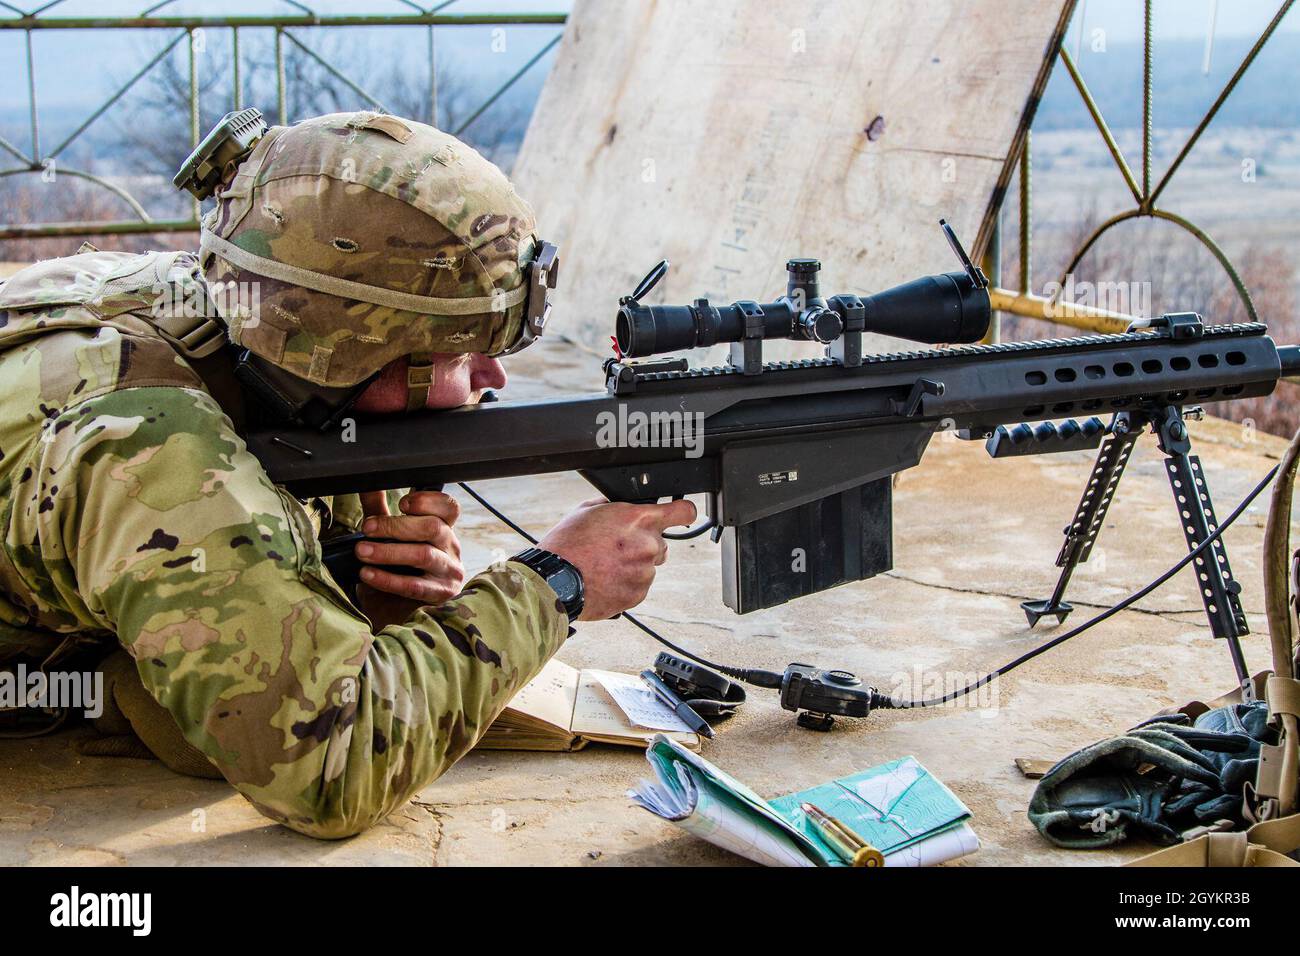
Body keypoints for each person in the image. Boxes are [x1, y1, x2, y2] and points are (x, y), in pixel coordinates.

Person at [0, 109, 694, 838]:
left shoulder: (245, 313)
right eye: (457, 356)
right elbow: (330, 772)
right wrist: (556, 583)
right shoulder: (154, 445)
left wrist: (361, 583)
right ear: (341, 357)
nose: (491, 378)